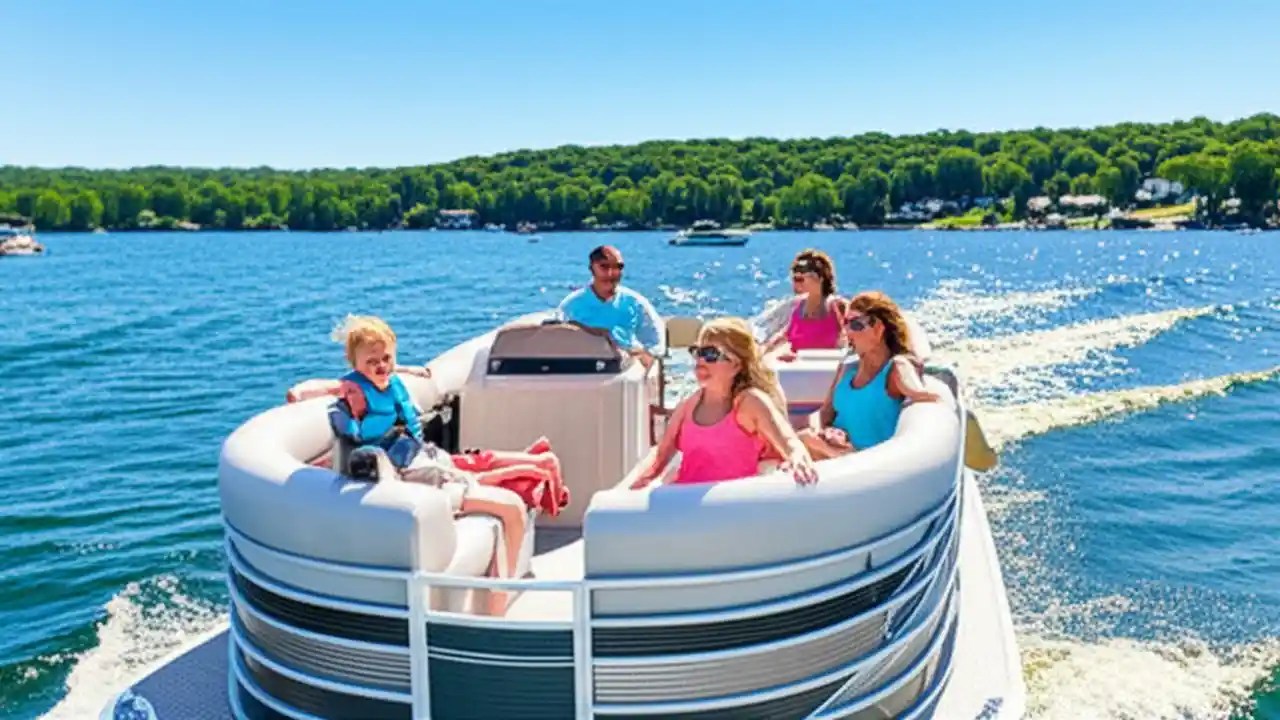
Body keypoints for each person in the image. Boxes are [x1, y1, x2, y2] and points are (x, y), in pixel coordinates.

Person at [323, 315, 567, 615]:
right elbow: (317, 395)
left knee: (508, 500)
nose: (382, 366)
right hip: (414, 478)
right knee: (511, 506)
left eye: (387, 358)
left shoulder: (390, 382)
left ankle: (499, 601)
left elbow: (390, 382)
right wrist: (331, 401)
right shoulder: (353, 394)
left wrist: (406, 369)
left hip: (425, 461)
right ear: (355, 364)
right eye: (371, 361)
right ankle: (496, 612)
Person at [629, 317, 818, 488]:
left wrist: (797, 459)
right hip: (686, 504)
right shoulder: (687, 407)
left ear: (736, 365)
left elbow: (789, 442)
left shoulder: (749, 402)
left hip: (730, 506)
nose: (700, 360)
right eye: (697, 352)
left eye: (711, 354)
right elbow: (656, 465)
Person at [798, 292, 941, 459]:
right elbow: (824, 414)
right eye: (845, 323)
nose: (847, 331)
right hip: (835, 454)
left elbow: (920, 394)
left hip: (869, 463)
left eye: (856, 325)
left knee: (804, 439)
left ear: (879, 329)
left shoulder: (896, 367)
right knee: (803, 438)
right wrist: (825, 431)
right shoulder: (846, 369)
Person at [557, 245, 665, 370]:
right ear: (591, 269)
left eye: (618, 267)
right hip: (583, 370)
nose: (611, 273)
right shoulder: (571, 305)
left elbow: (656, 340)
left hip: (625, 369)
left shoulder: (635, 302)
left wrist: (645, 356)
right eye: (604, 266)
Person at [762, 249, 846, 360]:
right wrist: (761, 353)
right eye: (794, 278)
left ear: (820, 278)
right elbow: (783, 336)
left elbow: (850, 345)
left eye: (800, 279)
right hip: (801, 369)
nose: (795, 284)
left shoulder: (837, 307)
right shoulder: (797, 307)